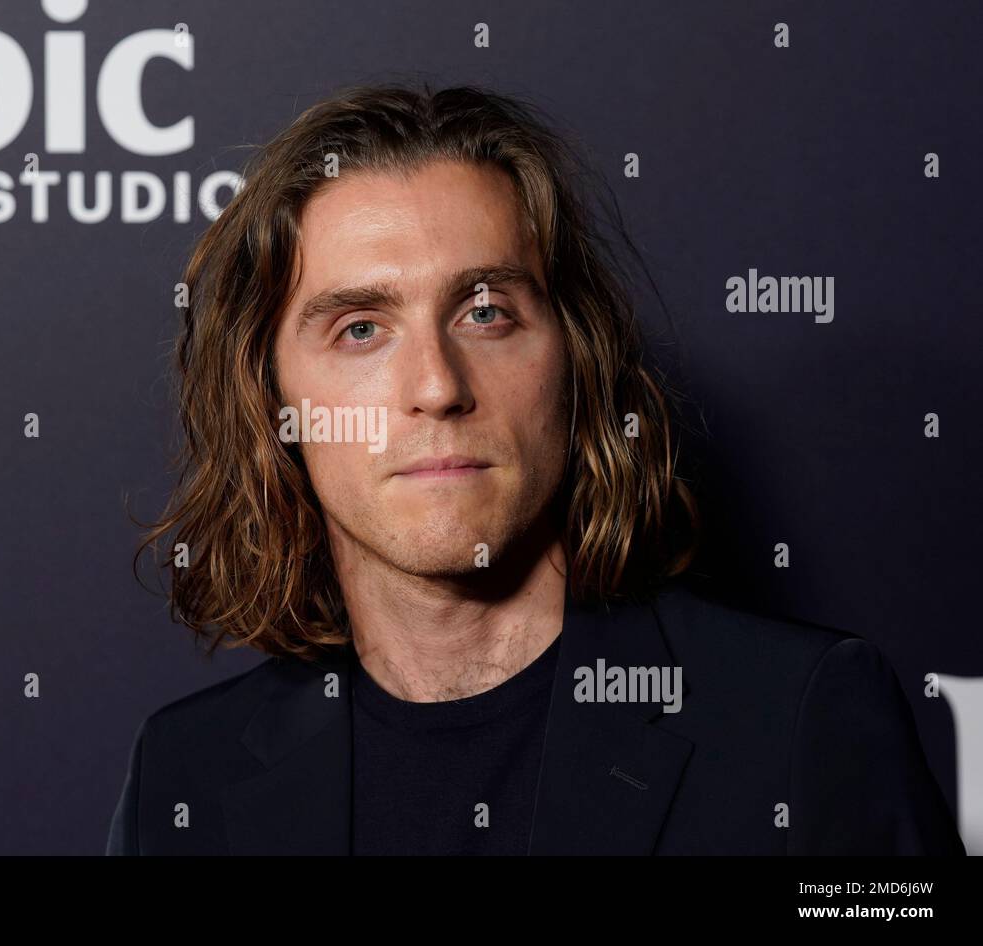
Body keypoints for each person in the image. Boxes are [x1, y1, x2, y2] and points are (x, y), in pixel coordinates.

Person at [106, 82, 964, 855]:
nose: (437, 387)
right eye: (360, 329)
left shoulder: (796, 723)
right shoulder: (185, 778)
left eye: (486, 312)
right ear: (273, 401)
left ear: (574, 359)